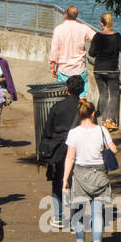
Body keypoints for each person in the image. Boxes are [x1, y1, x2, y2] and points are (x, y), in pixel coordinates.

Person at [63, 98, 117, 242]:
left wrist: (65, 179)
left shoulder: (73, 133)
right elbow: (113, 149)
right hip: (99, 173)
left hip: (80, 174)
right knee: (97, 212)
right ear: (93, 114)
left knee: (78, 211)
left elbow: (70, 157)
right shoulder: (102, 130)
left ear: (79, 115)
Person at [40, 74, 85, 230]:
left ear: (66, 89)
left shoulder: (57, 107)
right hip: (78, 149)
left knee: (58, 181)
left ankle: (58, 217)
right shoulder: (84, 108)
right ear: (82, 89)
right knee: (77, 184)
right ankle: (76, 220)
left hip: (59, 149)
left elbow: (47, 130)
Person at [87, 13, 121, 130]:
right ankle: (110, 120)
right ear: (111, 23)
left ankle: (105, 120)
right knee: (114, 95)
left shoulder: (97, 36)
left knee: (104, 94)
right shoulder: (117, 36)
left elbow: (91, 53)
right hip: (112, 70)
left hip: (99, 70)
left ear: (101, 23)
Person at [48, 5, 95, 91]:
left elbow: (54, 49)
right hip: (79, 68)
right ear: (76, 15)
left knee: (63, 94)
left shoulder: (58, 29)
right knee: (81, 96)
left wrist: (52, 65)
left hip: (63, 69)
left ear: (65, 15)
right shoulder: (84, 28)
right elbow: (96, 38)